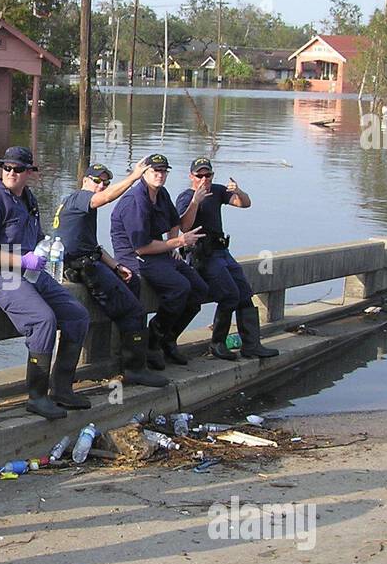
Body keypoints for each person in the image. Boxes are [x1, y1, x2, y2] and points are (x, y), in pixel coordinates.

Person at [0, 146, 90, 420]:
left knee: (77, 316)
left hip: (30, 272)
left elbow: (35, 236)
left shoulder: (28, 199)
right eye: (7, 167)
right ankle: (37, 396)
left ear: (29, 173)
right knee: (42, 319)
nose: (11, 173)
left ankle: (62, 389)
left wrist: (47, 247)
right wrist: (23, 261)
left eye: (18, 169)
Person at [52, 159, 168, 388]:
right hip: (83, 268)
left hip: (88, 260)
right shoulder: (81, 198)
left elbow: (91, 244)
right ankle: (135, 369)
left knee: (132, 282)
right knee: (134, 311)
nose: (101, 186)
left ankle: (122, 354)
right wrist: (134, 177)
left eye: (105, 182)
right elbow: (103, 199)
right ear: (85, 180)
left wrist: (115, 265)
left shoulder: (76, 203)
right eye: (97, 181)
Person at [109, 153, 208, 366]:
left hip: (159, 252)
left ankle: (168, 339)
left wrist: (173, 241)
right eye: (155, 171)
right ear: (144, 173)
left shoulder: (161, 194)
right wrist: (178, 243)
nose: (160, 175)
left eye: (163, 171)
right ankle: (152, 340)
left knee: (199, 288)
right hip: (135, 257)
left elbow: (174, 221)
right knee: (179, 287)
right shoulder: (136, 200)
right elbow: (141, 247)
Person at [175, 157, 279, 361]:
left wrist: (238, 191)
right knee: (230, 295)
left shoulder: (218, 191)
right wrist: (196, 201)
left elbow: (245, 204)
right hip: (202, 255)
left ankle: (251, 345)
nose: (204, 179)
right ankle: (218, 344)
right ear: (191, 176)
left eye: (208, 175)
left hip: (222, 251)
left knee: (245, 294)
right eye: (200, 175)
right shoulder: (186, 197)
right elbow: (184, 226)